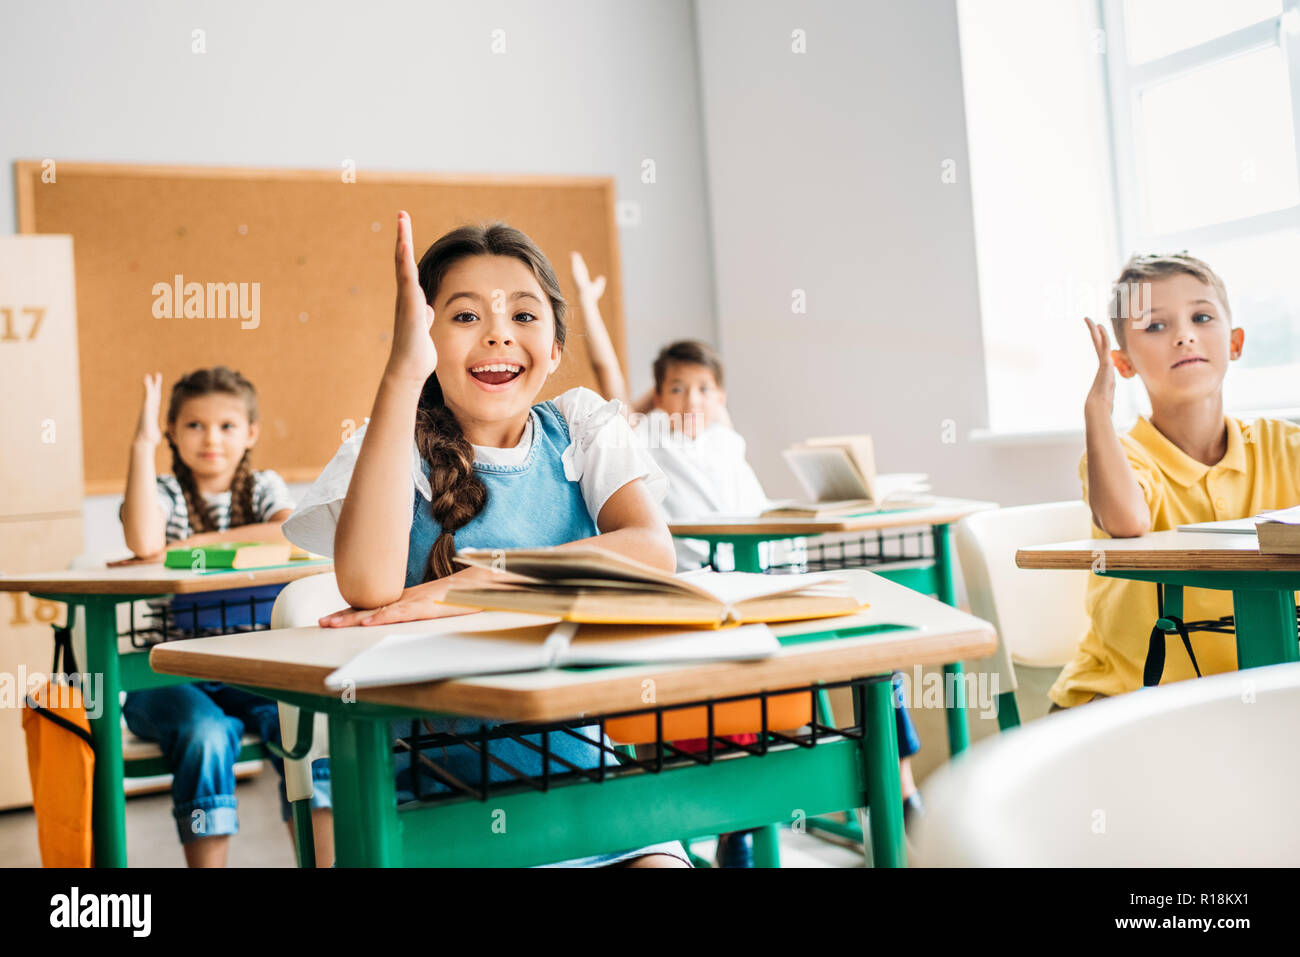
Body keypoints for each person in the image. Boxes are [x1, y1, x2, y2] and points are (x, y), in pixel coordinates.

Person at [1050, 252, 1300, 710]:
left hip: (1254, 699)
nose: (1184, 335)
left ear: (1236, 342)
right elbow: (1126, 522)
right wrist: (1097, 413)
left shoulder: (1285, 446)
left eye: (1201, 317)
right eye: (1156, 327)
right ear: (1122, 364)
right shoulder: (1121, 457)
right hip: (1123, 701)